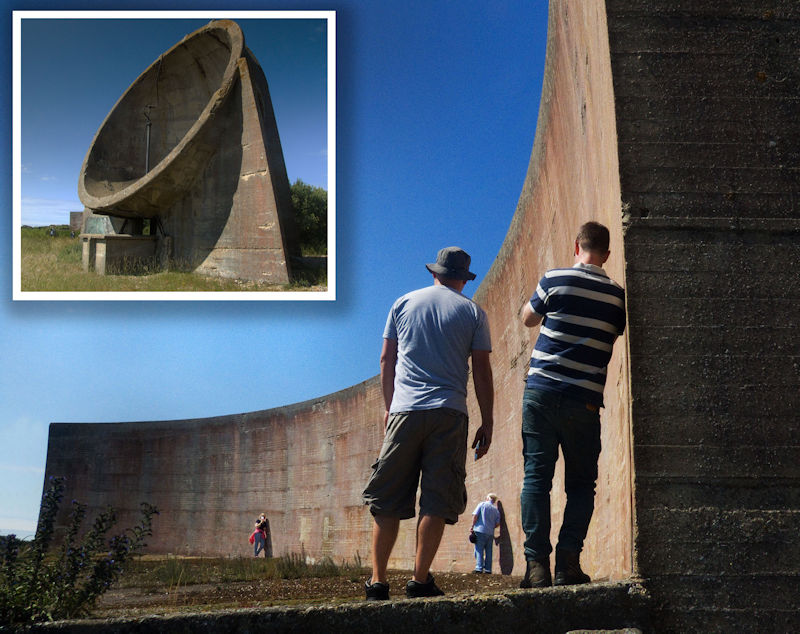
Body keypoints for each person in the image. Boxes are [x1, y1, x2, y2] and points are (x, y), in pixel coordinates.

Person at [362, 246, 495, 601]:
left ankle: (377, 581)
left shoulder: (402, 303)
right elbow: (481, 370)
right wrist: (488, 420)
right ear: (463, 279)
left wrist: (389, 407)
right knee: (437, 500)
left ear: (434, 273)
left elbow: (386, 358)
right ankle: (420, 580)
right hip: (450, 413)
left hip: (404, 411)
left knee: (387, 499)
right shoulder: (473, 312)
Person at [518, 221, 626, 589]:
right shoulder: (616, 296)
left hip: (542, 391)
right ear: (606, 255)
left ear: (576, 246)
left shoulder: (554, 278)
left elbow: (528, 318)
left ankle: (536, 567)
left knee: (536, 477)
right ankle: (568, 564)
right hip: (584, 401)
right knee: (581, 485)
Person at [470, 493, 501, 574]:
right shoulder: (496, 510)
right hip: (490, 533)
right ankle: (488, 570)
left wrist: (472, 526)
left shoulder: (482, 504)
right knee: (489, 551)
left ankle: (479, 568)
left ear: (487, 498)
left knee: (479, 549)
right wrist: (490, 527)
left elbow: (475, 516)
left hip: (479, 530)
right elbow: (498, 523)